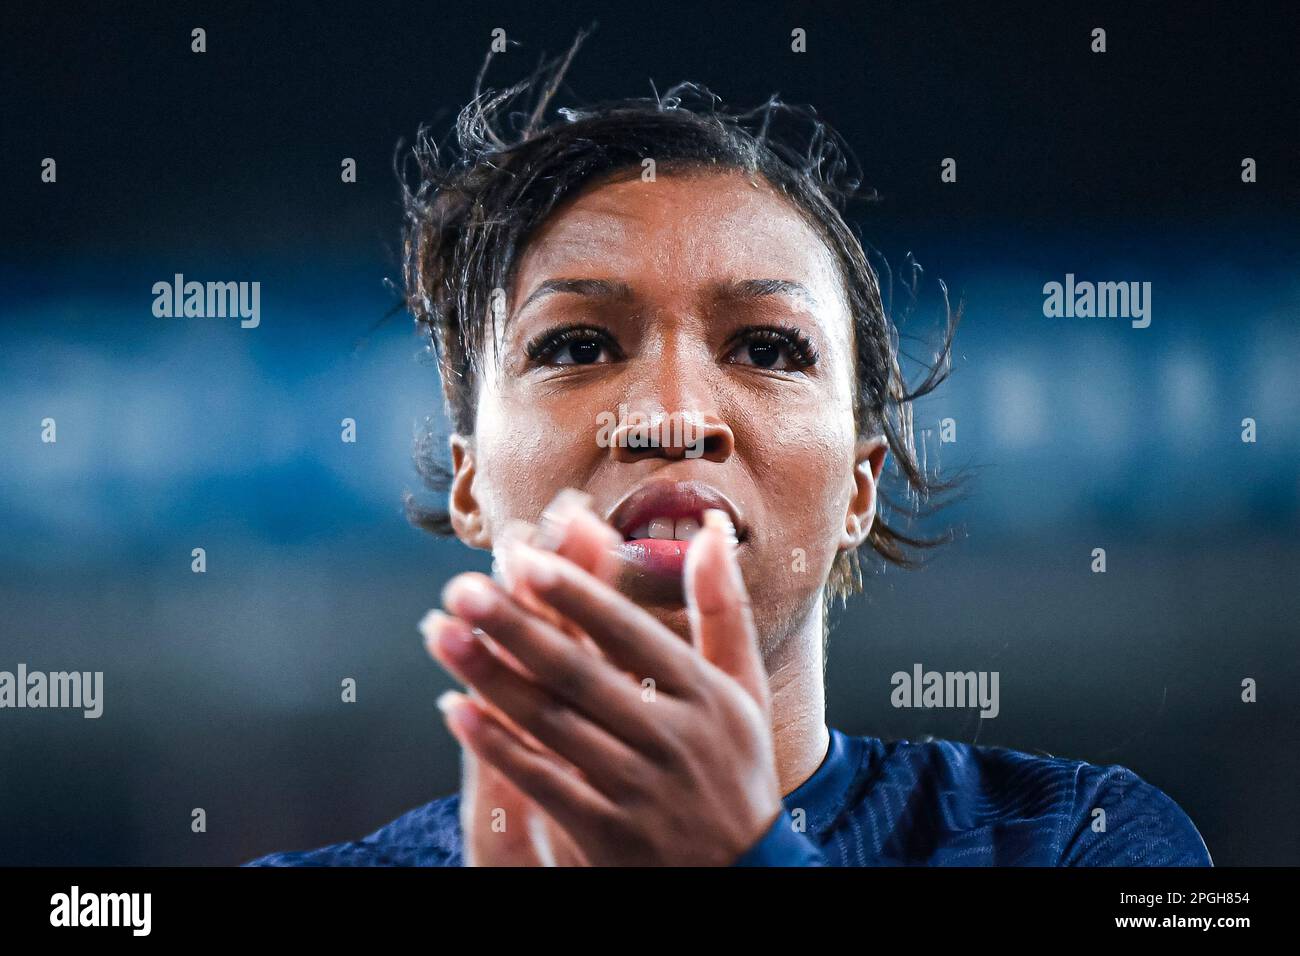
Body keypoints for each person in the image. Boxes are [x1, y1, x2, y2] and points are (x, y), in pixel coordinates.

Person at [246, 38, 1211, 867]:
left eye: (766, 348)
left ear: (860, 490)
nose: (670, 417)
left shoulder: (1079, 839)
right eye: (576, 346)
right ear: (468, 484)